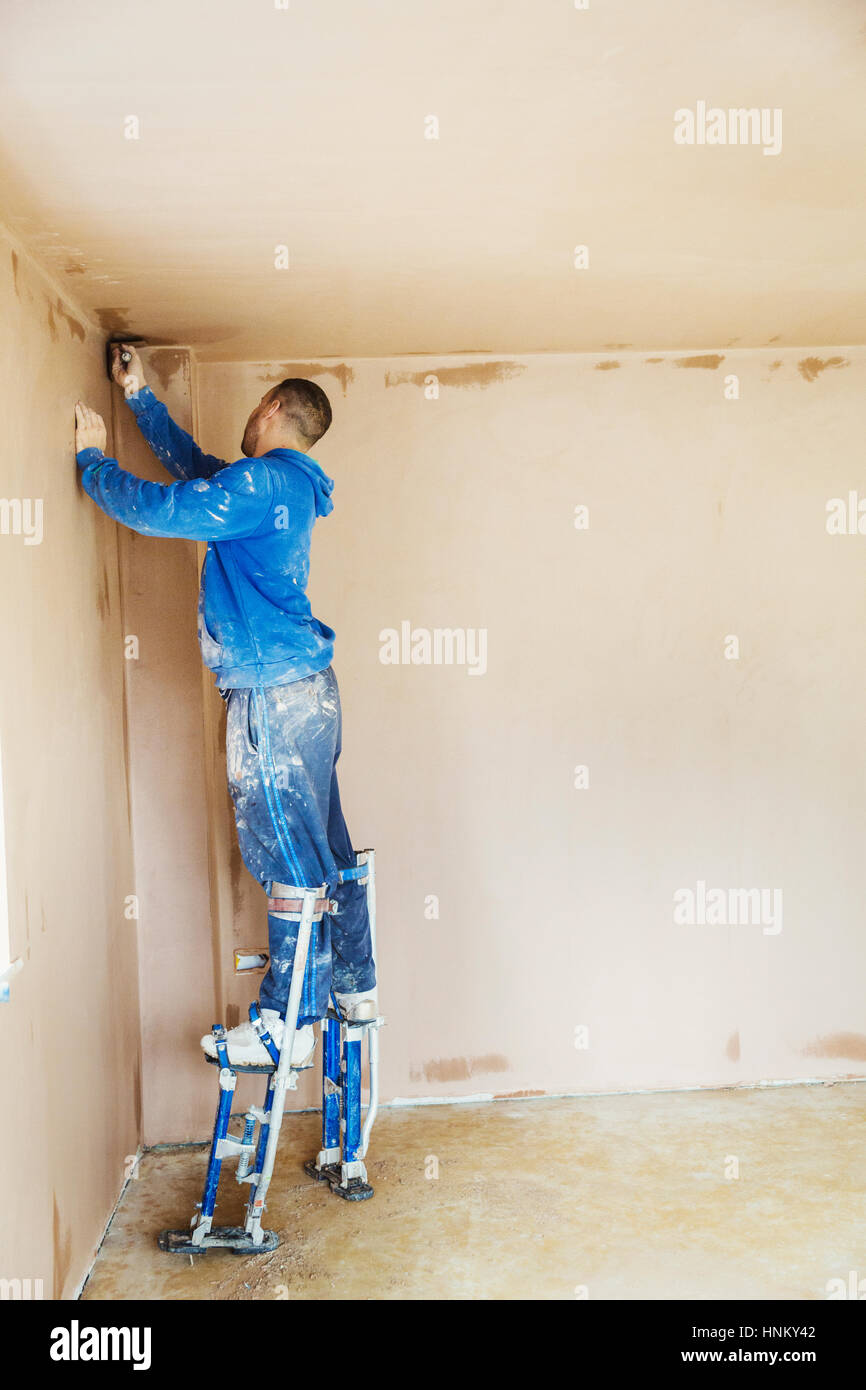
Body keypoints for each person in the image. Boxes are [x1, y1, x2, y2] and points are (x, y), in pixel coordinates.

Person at [74, 345, 377, 1066]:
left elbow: (162, 509)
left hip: (272, 695)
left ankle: (286, 1026)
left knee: (287, 854)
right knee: (324, 846)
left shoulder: (261, 482)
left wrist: (92, 464)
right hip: (306, 691)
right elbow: (197, 471)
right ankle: (353, 982)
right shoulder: (281, 487)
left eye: (254, 408)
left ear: (272, 408)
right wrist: (141, 400)